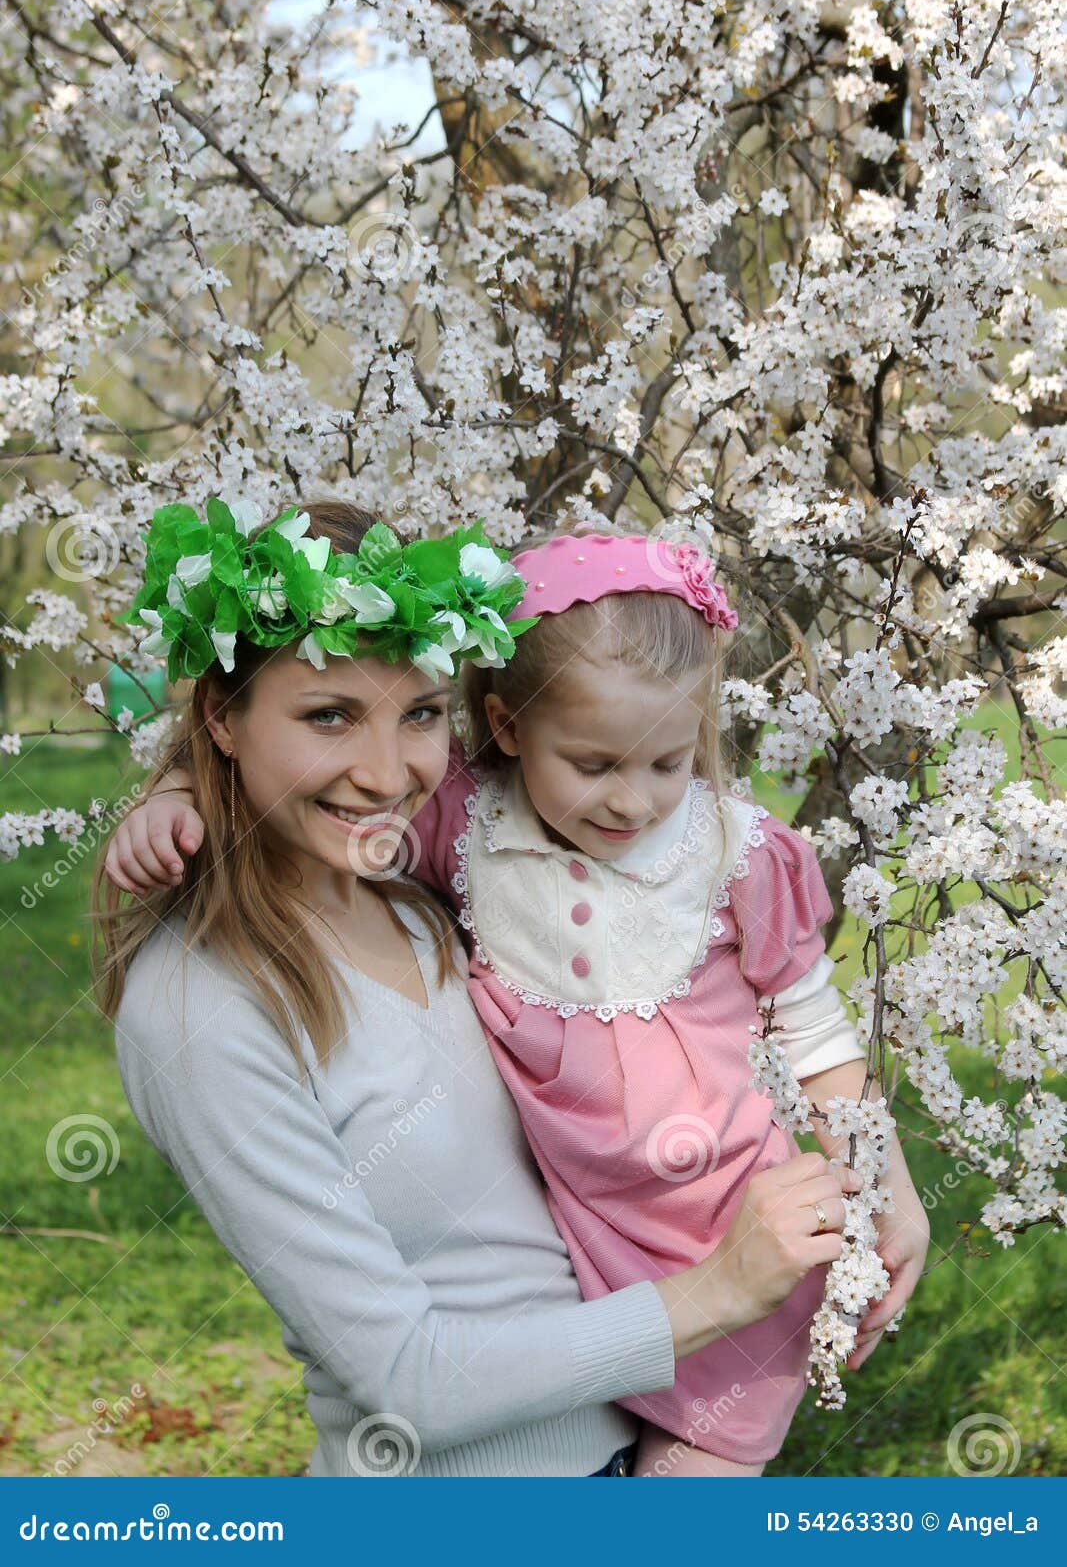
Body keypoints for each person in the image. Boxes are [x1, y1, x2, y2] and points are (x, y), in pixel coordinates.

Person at [102, 501, 894, 1477]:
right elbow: (408, 1380)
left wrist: (887, 1193)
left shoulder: (423, 893)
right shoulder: (199, 1009)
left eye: (422, 713)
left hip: (622, 1445)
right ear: (220, 716)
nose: (387, 773)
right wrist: (723, 1290)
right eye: (328, 715)